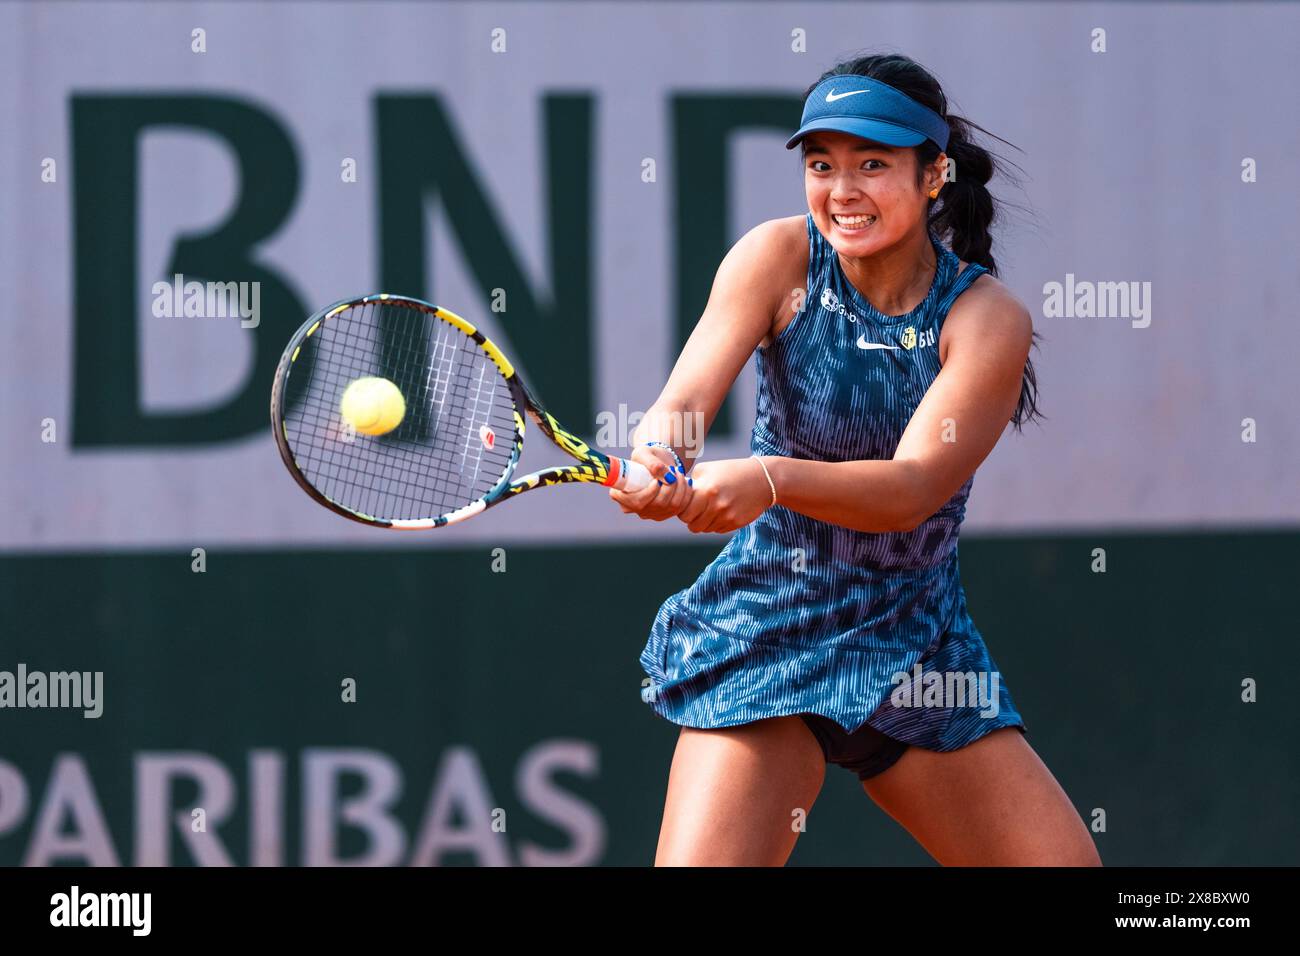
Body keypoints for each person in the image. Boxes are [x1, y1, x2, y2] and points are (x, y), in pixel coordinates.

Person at [609, 52, 1101, 867]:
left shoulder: (984, 319)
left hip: (916, 649)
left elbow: (911, 489)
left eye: (873, 163)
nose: (843, 190)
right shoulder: (777, 259)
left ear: (933, 174)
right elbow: (684, 405)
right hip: (769, 628)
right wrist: (660, 454)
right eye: (821, 164)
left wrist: (766, 480)